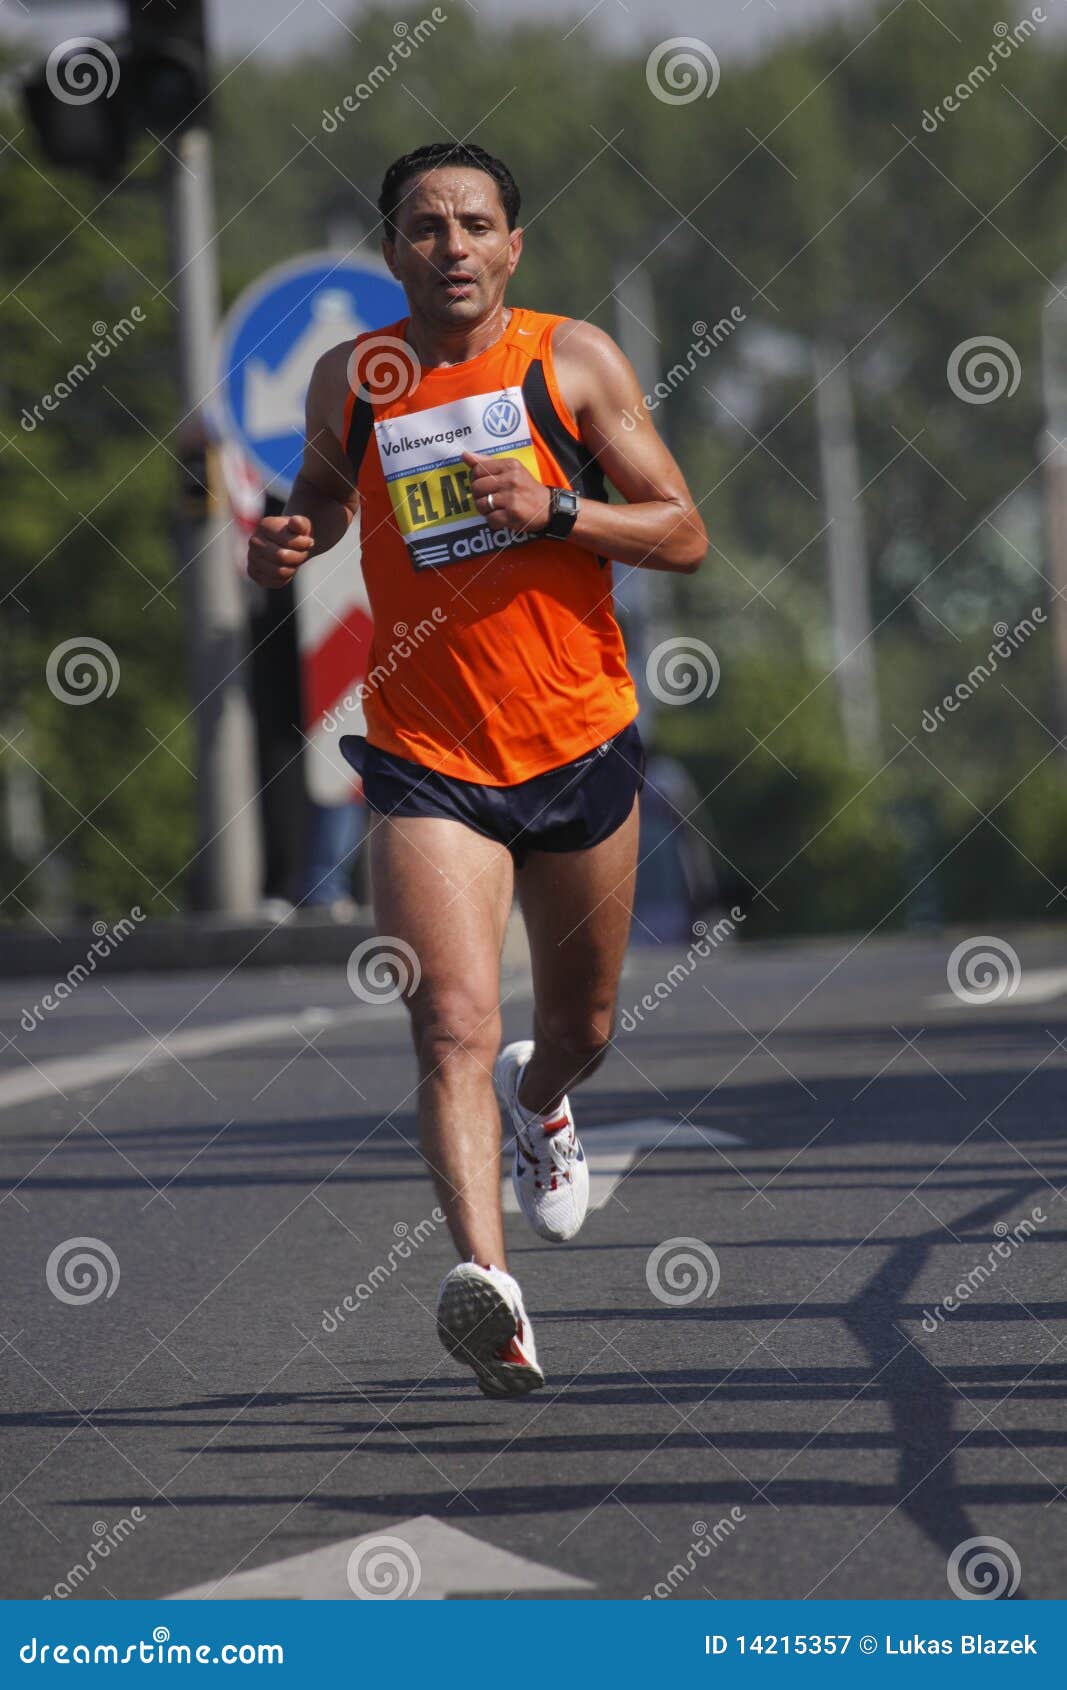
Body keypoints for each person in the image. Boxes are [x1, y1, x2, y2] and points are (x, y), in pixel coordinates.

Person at [247, 142, 706, 1397]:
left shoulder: (572, 361)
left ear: (512, 246)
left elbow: (680, 530)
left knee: (580, 1027)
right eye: (423, 225)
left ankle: (543, 1099)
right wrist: (290, 539)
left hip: (574, 738)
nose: (449, 244)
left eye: (473, 223)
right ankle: (488, 1292)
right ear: (391, 250)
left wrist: (554, 509)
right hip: (425, 752)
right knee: (449, 1019)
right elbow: (323, 498)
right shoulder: (356, 377)